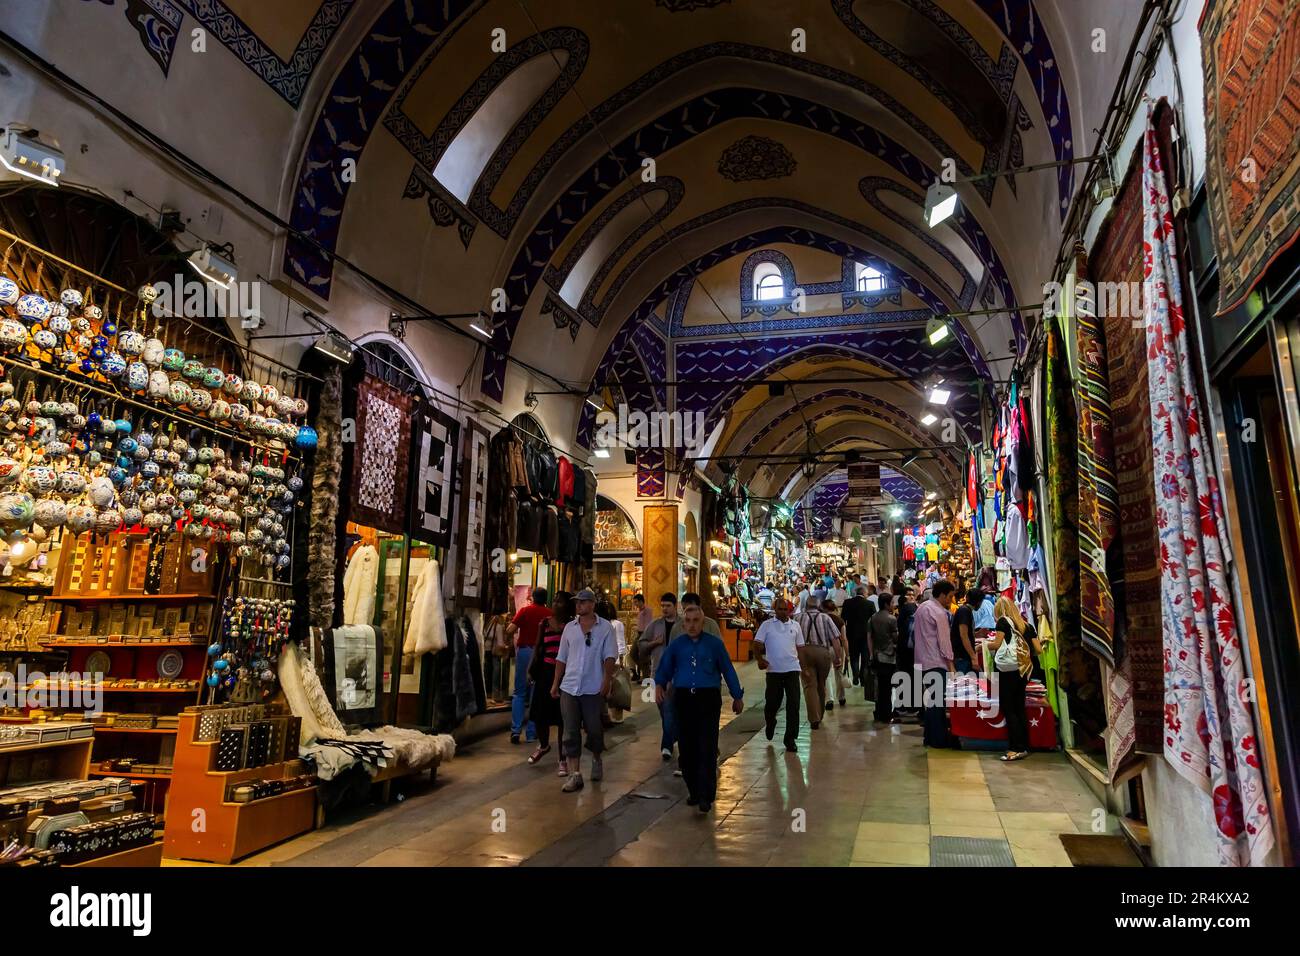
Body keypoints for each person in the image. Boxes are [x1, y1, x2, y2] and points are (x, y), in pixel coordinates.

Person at [654, 604, 744, 813]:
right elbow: (665, 668)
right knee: (686, 748)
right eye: (688, 621)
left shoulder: (714, 645)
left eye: (696, 621)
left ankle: (706, 795)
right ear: (683, 623)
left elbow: (727, 669)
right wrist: (659, 685)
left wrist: (737, 696)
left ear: (703, 623)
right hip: (684, 698)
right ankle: (693, 790)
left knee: (707, 746)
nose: (692, 625)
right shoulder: (677, 646)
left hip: (708, 699)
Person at [552, 589, 618, 792]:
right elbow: (561, 657)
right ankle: (575, 774)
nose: (578, 605)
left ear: (592, 604)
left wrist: (606, 680)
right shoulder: (570, 629)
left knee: (594, 729)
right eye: (577, 602)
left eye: (582, 602)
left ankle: (597, 758)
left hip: (592, 686)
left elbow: (609, 657)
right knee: (570, 731)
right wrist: (556, 683)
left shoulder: (605, 628)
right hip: (570, 686)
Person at [987, 596, 1043, 761]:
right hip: (1024, 671)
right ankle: (1024, 746)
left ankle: (1015, 748)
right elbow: (1038, 649)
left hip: (1008, 671)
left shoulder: (1003, 622)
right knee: (1019, 708)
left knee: (1009, 708)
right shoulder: (1027, 625)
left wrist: (982, 645)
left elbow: (996, 645)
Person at [526, 593, 572, 773]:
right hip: (545, 673)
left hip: (565, 675)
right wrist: (530, 669)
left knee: (562, 719)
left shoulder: (571, 625)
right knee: (539, 714)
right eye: (554, 600)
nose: (555, 604)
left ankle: (563, 758)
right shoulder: (544, 623)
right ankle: (544, 745)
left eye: (559, 601)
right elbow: (538, 647)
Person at [753, 597, 802, 753]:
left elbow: (800, 647)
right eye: (779, 609)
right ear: (775, 610)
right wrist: (760, 659)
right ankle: (770, 721)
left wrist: (805, 667)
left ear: (789, 610)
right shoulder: (767, 626)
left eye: (785, 609)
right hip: (774, 671)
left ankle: (790, 739)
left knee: (793, 704)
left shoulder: (795, 626)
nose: (782, 612)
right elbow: (757, 644)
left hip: (792, 669)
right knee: (772, 703)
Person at [911, 580, 956, 747]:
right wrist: (951, 665)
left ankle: (929, 737)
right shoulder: (939, 612)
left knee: (931, 702)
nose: (951, 601)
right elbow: (944, 642)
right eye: (950, 597)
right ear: (942, 594)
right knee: (937, 704)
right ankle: (938, 740)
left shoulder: (922, 607)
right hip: (937, 662)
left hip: (923, 660)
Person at [505, 587, 551, 744]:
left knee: (519, 692)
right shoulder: (549, 614)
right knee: (535, 693)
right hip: (541, 654)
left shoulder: (524, 611)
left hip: (524, 652)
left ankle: (516, 730)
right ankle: (531, 733)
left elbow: (510, 630)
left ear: (532, 598)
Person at [638, 592, 680, 760]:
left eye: (668, 606)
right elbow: (641, 645)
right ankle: (673, 735)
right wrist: (655, 643)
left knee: (669, 707)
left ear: (675, 606)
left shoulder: (683, 624)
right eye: (662, 606)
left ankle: (666, 745)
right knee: (663, 709)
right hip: (658, 672)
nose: (664, 609)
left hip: (677, 673)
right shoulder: (655, 625)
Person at [793, 595, 841, 729]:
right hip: (823, 652)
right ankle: (820, 715)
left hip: (804, 653)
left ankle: (814, 718)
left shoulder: (797, 618)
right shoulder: (826, 618)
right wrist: (838, 657)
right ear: (818, 606)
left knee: (809, 685)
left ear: (806, 606)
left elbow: (792, 639)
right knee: (821, 684)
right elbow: (835, 640)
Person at [868, 593, 900, 724]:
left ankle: (879, 712)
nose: (893, 605)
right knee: (887, 688)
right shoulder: (891, 619)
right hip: (889, 655)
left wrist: (871, 654)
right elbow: (896, 638)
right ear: (886, 604)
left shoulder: (872, 618)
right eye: (892, 603)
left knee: (880, 687)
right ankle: (887, 715)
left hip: (876, 655)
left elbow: (869, 637)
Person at [597, 600, 628, 723]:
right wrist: (620, 659)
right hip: (609, 659)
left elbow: (619, 641)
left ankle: (608, 714)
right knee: (611, 687)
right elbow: (620, 642)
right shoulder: (614, 624)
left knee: (609, 687)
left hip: (606, 659)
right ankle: (609, 715)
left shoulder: (607, 624)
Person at [841, 585, 872, 688]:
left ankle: (855, 675)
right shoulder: (869, 604)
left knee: (854, 656)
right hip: (865, 635)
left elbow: (843, 619)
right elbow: (873, 620)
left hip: (851, 634)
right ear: (864, 593)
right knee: (865, 657)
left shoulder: (847, 603)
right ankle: (863, 678)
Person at [821, 597, 849, 710]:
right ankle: (841, 697)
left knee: (826, 674)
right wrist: (847, 654)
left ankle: (829, 699)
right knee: (839, 672)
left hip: (825, 648)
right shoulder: (840, 620)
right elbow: (844, 639)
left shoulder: (822, 619)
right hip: (838, 649)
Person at [895, 588, 919, 715]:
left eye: (912, 594)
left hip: (907, 651)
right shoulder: (910, 609)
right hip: (908, 651)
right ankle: (910, 706)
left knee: (906, 678)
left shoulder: (910, 609)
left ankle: (906, 705)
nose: (911, 597)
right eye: (908, 595)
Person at [951, 586, 979, 674]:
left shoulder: (966, 610)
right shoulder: (964, 611)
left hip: (963, 656)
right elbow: (964, 635)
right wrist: (973, 657)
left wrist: (977, 634)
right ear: (978, 601)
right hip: (962, 656)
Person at [631, 593, 652, 680]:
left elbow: (648, 624)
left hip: (644, 635)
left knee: (643, 656)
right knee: (632, 653)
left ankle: (645, 676)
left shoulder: (647, 610)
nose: (635, 604)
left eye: (636, 602)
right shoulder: (640, 611)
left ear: (640, 601)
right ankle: (646, 671)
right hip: (639, 634)